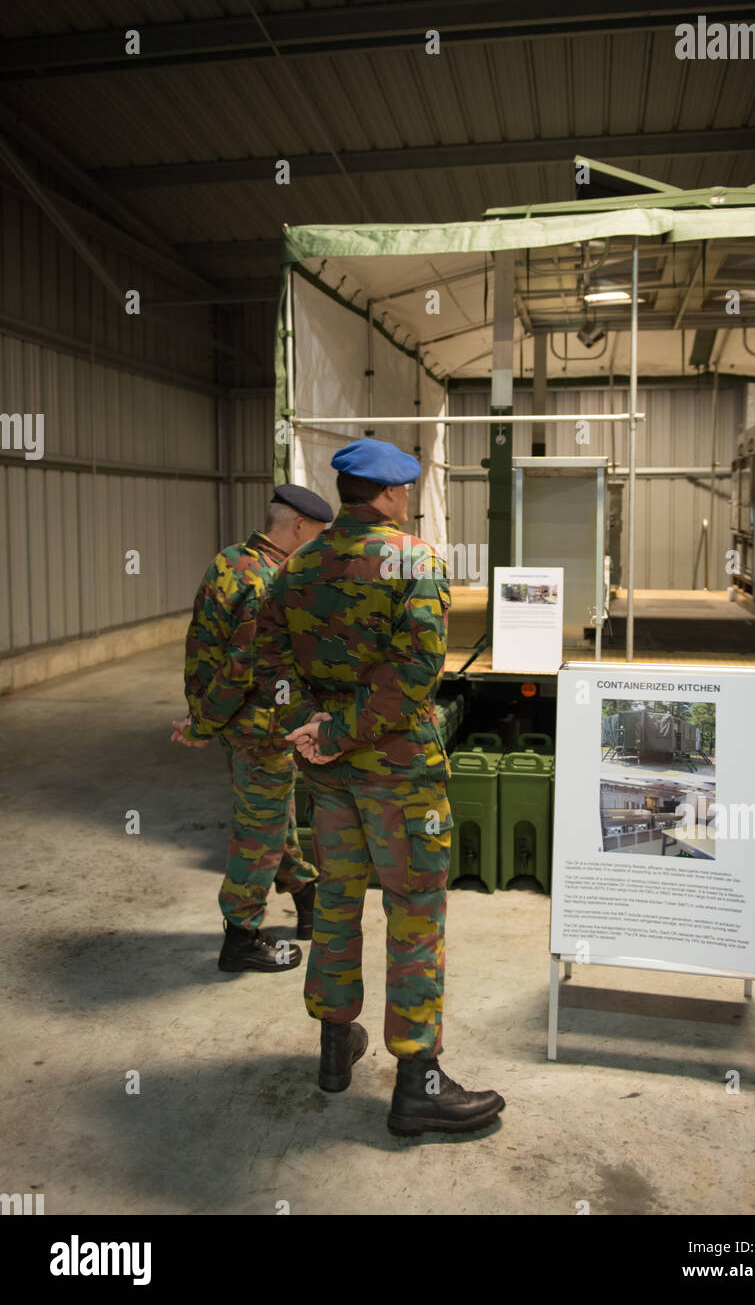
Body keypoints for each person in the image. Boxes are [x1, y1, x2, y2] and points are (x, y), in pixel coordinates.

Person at [254, 438, 505, 1136]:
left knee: (336, 898)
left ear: (345, 493)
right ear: (392, 495)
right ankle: (417, 1082)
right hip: (398, 774)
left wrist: (304, 722)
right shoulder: (413, 561)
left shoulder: (297, 563)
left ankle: (336, 1047)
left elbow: (267, 657)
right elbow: (416, 674)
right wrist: (336, 731)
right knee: (414, 912)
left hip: (327, 775)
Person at [171, 485, 332, 973]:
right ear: (299, 528)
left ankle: (305, 894)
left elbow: (204, 646)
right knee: (257, 830)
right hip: (259, 725)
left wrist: (204, 714)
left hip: (241, 721)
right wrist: (202, 723)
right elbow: (242, 667)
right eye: (318, 535)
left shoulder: (231, 559)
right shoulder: (270, 581)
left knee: (271, 813)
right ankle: (241, 936)